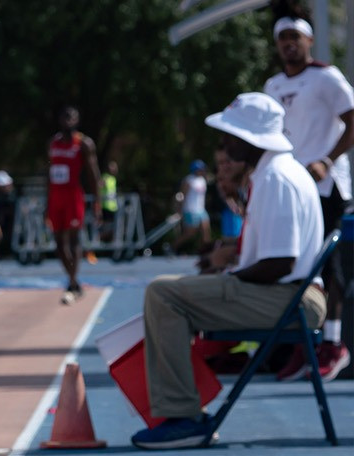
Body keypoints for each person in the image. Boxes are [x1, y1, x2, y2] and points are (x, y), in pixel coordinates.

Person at [131, 92, 327, 449]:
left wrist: (228, 280)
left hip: (290, 299)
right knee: (175, 294)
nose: (223, 143)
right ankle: (188, 407)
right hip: (291, 295)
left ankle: (184, 417)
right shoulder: (275, 173)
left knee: (163, 295)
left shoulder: (275, 179)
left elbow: (279, 262)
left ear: (252, 139)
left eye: (231, 135)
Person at [262, 4, 354, 381]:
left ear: (309, 41)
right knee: (295, 264)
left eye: (294, 38)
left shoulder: (326, 78)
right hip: (291, 187)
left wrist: (327, 161)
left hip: (327, 185)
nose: (289, 45)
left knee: (325, 263)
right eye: (282, 39)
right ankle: (305, 342)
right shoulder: (273, 86)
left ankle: (333, 343)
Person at [46, 107, 100, 305]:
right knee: (59, 243)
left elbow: (93, 174)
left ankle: (71, 281)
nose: (68, 120)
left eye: (72, 117)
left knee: (74, 238)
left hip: (73, 195)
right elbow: (48, 173)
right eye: (64, 117)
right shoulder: (53, 143)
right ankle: (74, 281)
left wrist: (98, 202)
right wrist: (46, 202)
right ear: (60, 120)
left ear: (77, 120)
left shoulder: (83, 143)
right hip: (55, 196)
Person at [173, 161, 211, 255]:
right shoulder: (188, 180)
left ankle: (204, 252)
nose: (202, 171)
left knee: (206, 231)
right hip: (190, 210)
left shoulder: (202, 180)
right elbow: (182, 195)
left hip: (201, 210)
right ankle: (172, 247)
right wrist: (179, 209)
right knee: (189, 234)